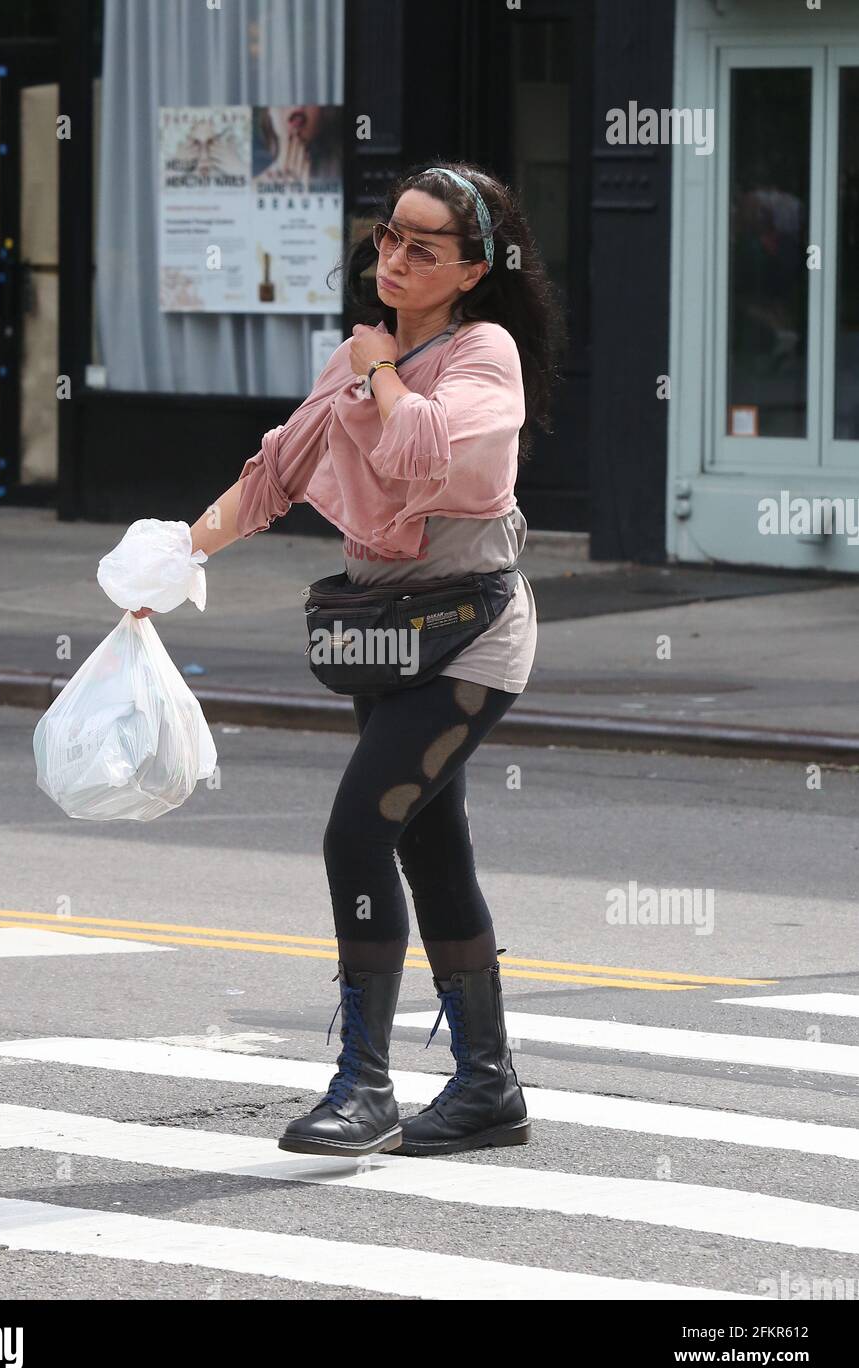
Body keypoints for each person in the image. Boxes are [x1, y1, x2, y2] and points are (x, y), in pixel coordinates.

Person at [133, 161, 564, 1158]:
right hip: (384, 632)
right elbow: (279, 471)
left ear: (470, 271)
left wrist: (377, 369)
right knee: (428, 845)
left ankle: (364, 1085)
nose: (395, 258)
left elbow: (418, 450)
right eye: (388, 237)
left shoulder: (484, 357)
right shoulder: (361, 353)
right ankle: (489, 1086)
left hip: (469, 633)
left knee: (356, 833)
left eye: (423, 246)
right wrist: (178, 552)